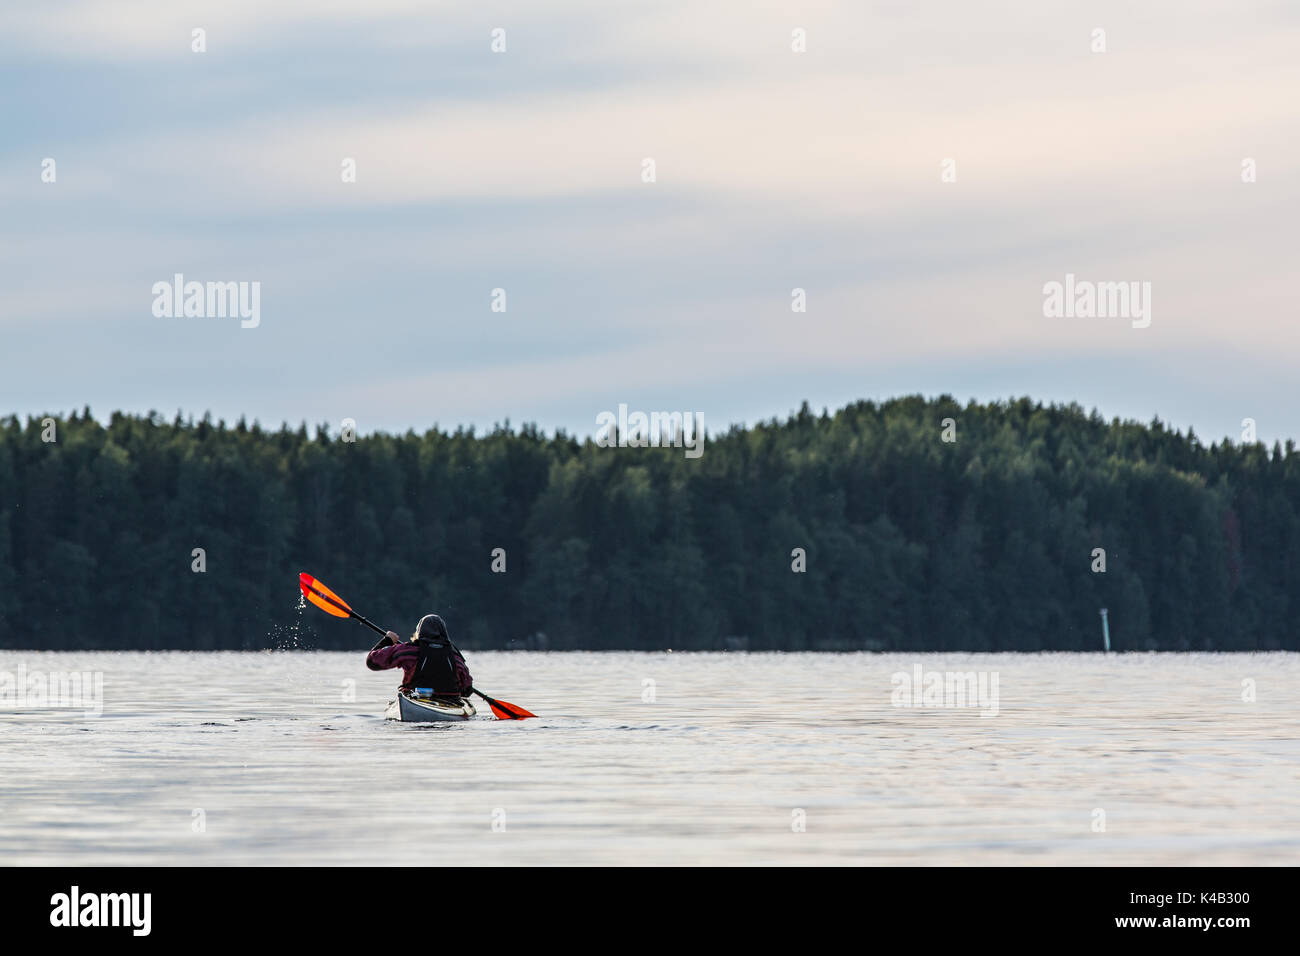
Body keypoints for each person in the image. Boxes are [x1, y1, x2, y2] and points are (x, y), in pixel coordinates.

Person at [366, 613, 474, 699]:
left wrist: (387, 641)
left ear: (419, 632)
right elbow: (467, 690)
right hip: (450, 702)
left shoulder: (408, 651)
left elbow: (372, 661)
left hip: (417, 699)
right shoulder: (456, 657)